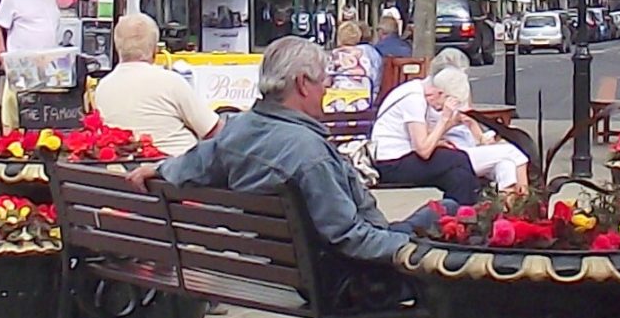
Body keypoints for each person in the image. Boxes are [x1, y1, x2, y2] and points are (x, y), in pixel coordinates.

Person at [155, 36, 430, 262]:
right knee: (441, 219)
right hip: (347, 277)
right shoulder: (310, 154)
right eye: (324, 82)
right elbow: (349, 237)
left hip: (288, 266)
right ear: (302, 83)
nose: (327, 90)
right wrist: (411, 249)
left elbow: (190, 166)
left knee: (437, 213)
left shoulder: (236, 130)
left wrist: (157, 170)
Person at [92, 13, 218, 155]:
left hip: (126, 163)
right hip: (177, 162)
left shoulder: (102, 88)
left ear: (117, 48)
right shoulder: (171, 82)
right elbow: (213, 130)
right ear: (154, 50)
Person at [366, 56, 483, 205]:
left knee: (459, 177)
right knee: (459, 158)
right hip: (391, 162)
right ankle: (469, 210)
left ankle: (456, 215)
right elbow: (423, 150)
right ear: (440, 91)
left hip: (406, 155)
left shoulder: (417, 88)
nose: (439, 107)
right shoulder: (414, 99)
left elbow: (425, 139)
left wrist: (451, 124)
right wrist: (444, 119)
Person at [427, 51, 529, 193]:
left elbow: (470, 124)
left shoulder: (456, 100)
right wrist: (450, 121)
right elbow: (427, 139)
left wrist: (482, 138)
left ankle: (508, 203)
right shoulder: (429, 110)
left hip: (470, 148)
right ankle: (527, 197)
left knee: (506, 166)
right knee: (514, 153)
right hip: (455, 155)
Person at [329, 19, 382, 93]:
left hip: (340, 90)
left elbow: (328, 74)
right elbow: (370, 73)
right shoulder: (364, 53)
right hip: (363, 91)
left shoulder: (336, 54)